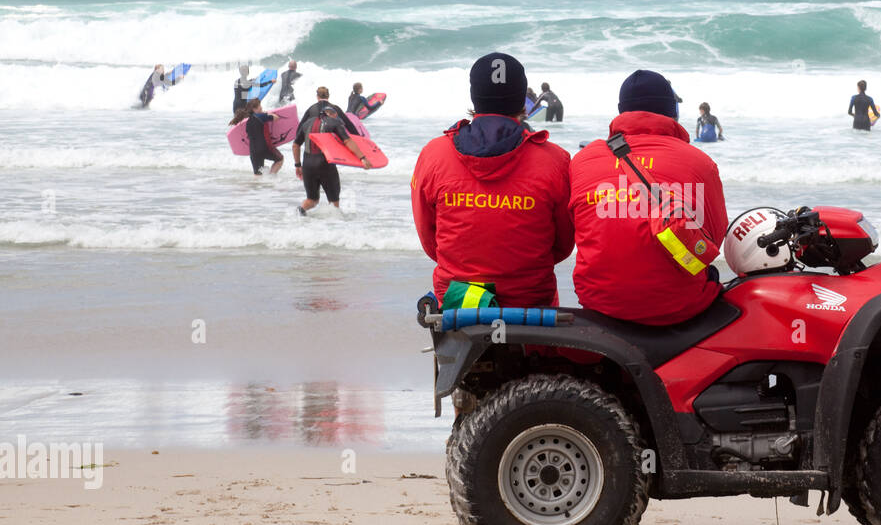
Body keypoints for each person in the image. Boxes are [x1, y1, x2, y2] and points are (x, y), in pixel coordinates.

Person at [410, 52, 573, 307]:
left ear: (475, 97)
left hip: (459, 303)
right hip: (530, 303)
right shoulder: (556, 160)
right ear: (522, 99)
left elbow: (429, 238)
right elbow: (563, 243)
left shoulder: (434, 154)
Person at [568, 70, 728, 325]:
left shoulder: (584, 160)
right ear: (671, 112)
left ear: (621, 112)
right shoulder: (699, 163)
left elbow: (571, 235)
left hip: (599, 303)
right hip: (680, 307)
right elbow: (714, 238)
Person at [293, 90, 370, 214]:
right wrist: (362, 157)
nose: (336, 116)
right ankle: (332, 226)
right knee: (334, 202)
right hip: (325, 165)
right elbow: (348, 141)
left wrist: (297, 165)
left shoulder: (307, 123)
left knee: (312, 200)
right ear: (331, 113)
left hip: (307, 165)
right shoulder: (335, 122)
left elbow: (296, 145)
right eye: (335, 115)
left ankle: (299, 213)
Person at [229, 98, 285, 175]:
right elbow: (276, 117)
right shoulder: (261, 116)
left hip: (253, 151)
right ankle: (271, 178)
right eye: (260, 107)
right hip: (265, 148)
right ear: (254, 109)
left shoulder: (248, 121)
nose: (261, 108)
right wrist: (267, 113)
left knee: (257, 174)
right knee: (280, 159)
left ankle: (258, 186)